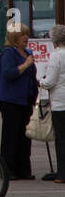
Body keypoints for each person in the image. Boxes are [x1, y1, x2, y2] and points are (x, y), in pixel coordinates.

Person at [0, 20, 37, 179]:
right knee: (10, 136)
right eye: (22, 35)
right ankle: (8, 170)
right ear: (14, 37)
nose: (26, 37)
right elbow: (8, 74)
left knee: (24, 136)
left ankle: (23, 169)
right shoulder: (8, 53)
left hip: (25, 100)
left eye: (27, 34)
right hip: (10, 100)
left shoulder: (28, 53)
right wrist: (25, 65)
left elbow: (31, 76)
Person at [38, 24, 65, 183]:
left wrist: (40, 82)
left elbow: (50, 81)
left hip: (60, 103)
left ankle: (62, 173)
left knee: (61, 139)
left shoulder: (57, 56)